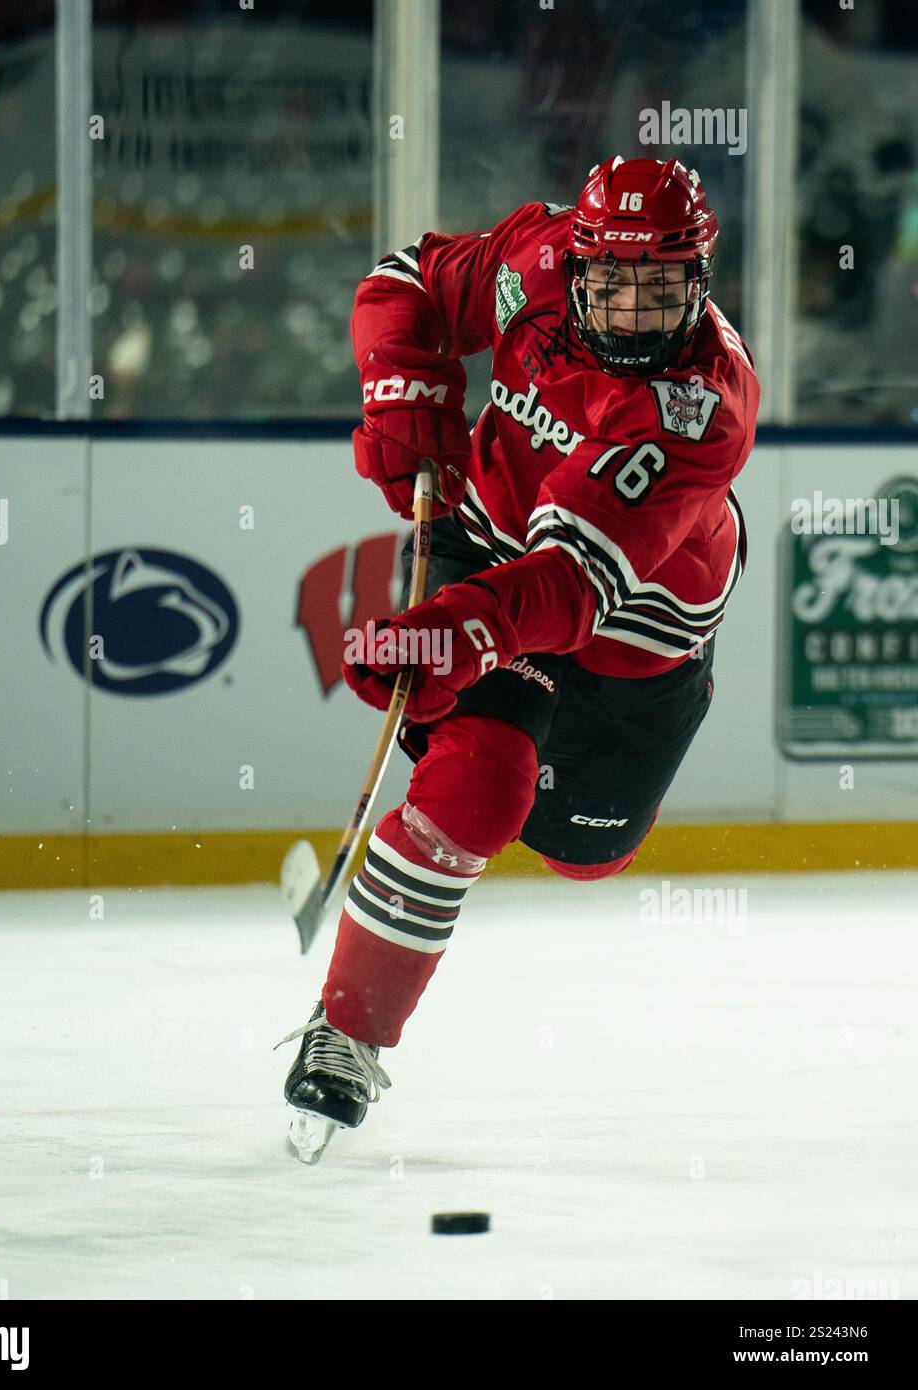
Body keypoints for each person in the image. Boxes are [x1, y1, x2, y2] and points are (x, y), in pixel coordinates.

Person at [279, 156, 760, 1147]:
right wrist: (401, 385)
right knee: (476, 788)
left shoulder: (701, 406)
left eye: (660, 288)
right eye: (612, 283)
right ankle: (345, 1030)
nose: (631, 311)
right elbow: (402, 279)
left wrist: (448, 636)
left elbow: (569, 589)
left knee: (584, 851)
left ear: (699, 284)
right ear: (575, 265)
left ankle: (448, 824)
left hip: (634, 628)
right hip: (494, 540)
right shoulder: (531, 258)